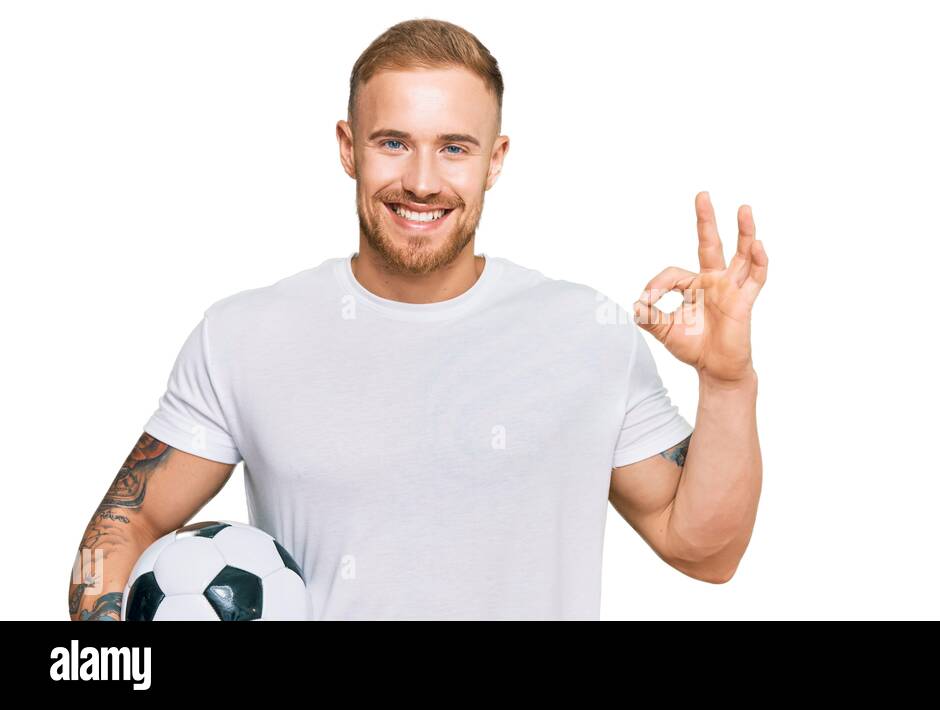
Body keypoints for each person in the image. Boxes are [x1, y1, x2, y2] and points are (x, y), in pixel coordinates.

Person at [68, 18, 767, 621]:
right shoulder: (244, 335)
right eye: (393, 142)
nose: (424, 182)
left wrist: (729, 382)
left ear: (495, 161)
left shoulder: (587, 332)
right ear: (349, 147)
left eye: (454, 147)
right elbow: (126, 524)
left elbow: (705, 551)